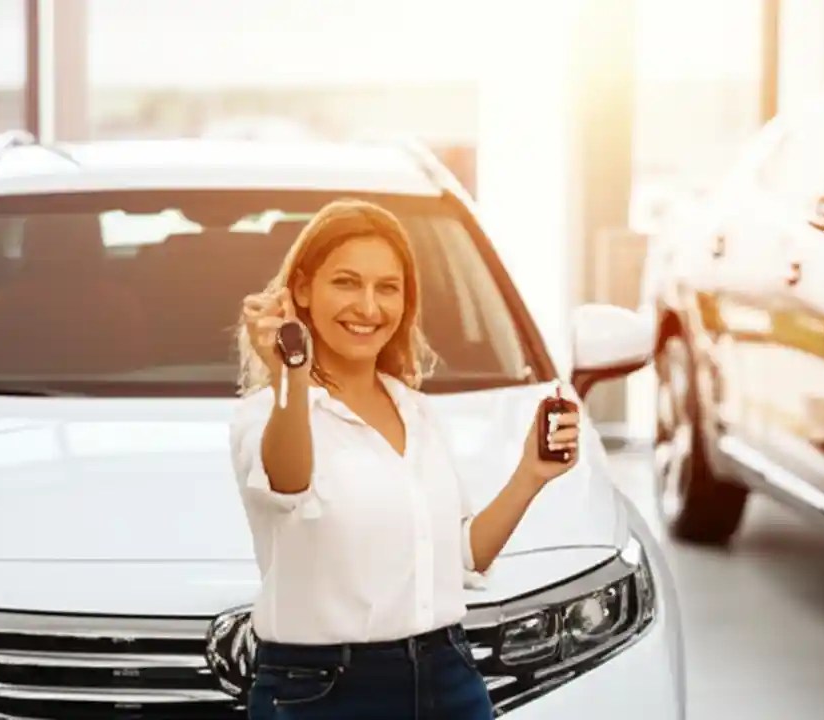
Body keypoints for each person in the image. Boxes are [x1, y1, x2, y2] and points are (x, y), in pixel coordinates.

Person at [231, 198, 581, 719]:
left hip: (449, 677)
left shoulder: (415, 411)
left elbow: (460, 557)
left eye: (387, 288)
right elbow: (288, 481)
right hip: (323, 695)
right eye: (346, 283)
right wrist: (290, 376)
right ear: (302, 289)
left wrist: (531, 475)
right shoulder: (268, 413)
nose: (368, 308)